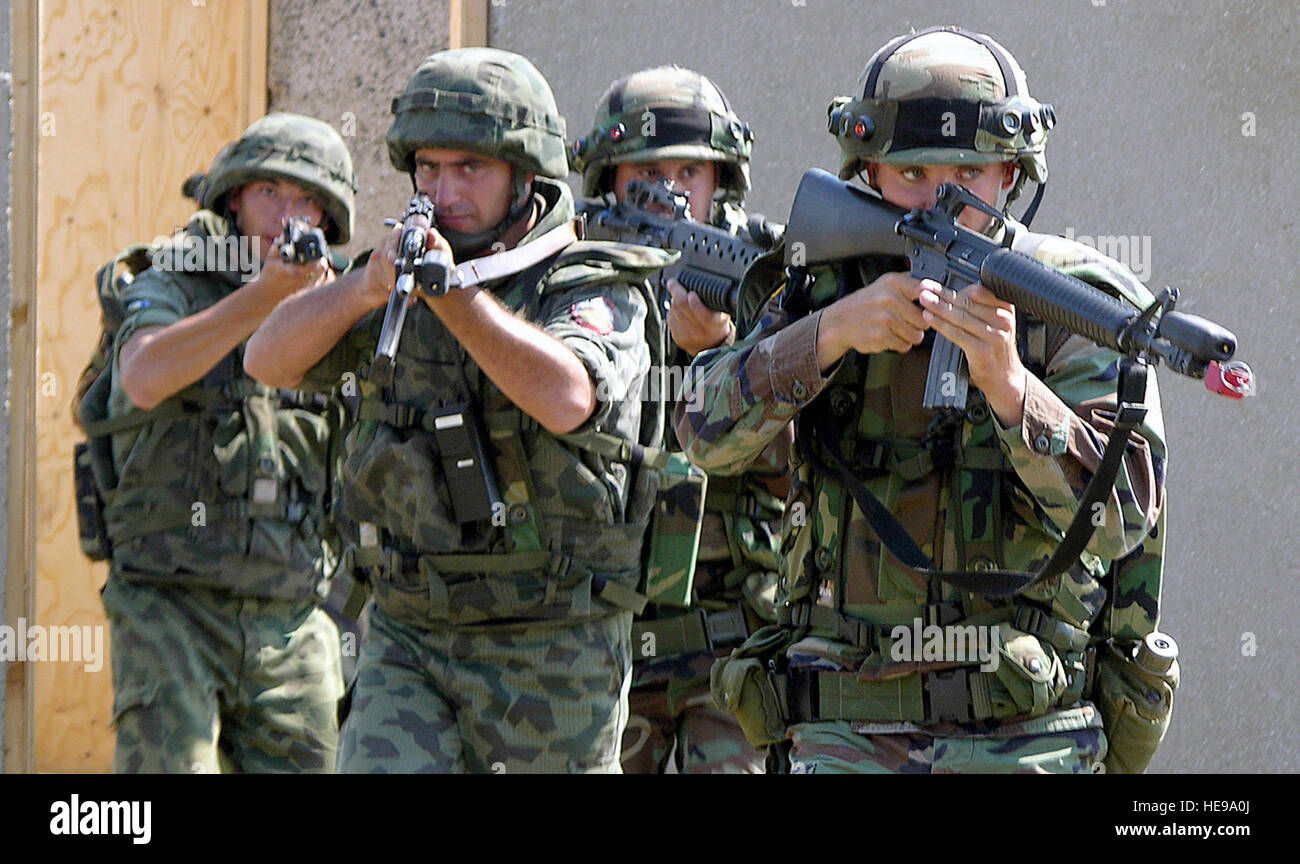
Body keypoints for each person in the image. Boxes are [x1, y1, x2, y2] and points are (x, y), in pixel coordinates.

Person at [675, 26, 1167, 774]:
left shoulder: (1075, 306)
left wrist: (1011, 389)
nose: (943, 200)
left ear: (1011, 174)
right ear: (867, 173)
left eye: (968, 173)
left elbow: (1120, 522)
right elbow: (703, 435)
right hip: (844, 732)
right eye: (912, 173)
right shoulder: (826, 284)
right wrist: (829, 334)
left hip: (1027, 733)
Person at [245, 48, 673, 774]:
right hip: (410, 634)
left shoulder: (590, 282)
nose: (444, 191)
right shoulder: (395, 282)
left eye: (470, 168)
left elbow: (569, 396)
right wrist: (362, 288)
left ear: (525, 175)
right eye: (429, 168)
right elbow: (267, 359)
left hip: (551, 644)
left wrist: (455, 298)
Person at [96, 112, 355, 773]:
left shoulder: (340, 300)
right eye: (269, 192)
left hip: (293, 610)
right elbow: (143, 375)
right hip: (170, 603)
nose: (286, 215)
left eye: (306, 201)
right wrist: (262, 298)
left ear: (327, 218)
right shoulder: (175, 274)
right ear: (235, 197)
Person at [571, 65, 787, 773]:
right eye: (647, 173)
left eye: (689, 171)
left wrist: (720, 357)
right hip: (604, 624)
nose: (670, 192)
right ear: (609, 180)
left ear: (721, 178)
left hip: (735, 633)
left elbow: (799, 462)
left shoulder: (766, 277)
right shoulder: (574, 275)